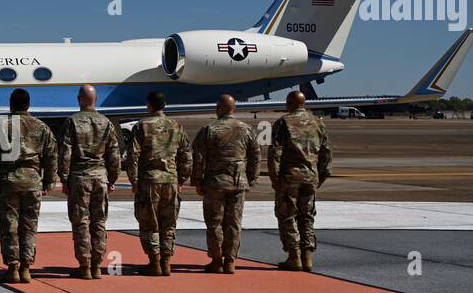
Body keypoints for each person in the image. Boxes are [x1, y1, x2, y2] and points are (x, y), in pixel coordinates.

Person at [0, 88, 57, 283]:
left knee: (9, 226)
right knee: (29, 226)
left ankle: (13, 267)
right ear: (28, 105)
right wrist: (50, 182)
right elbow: (51, 157)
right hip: (33, 182)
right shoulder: (41, 127)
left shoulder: (3, 126)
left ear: (11, 104)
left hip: (10, 182)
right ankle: (26, 268)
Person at [190, 94, 260, 274]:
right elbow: (255, 156)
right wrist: (251, 178)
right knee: (234, 223)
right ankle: (230, 260)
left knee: (215, 223)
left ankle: (216, 260)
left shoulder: (209, 129)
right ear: (234, 109)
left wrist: (197, 181)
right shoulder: (246, 129)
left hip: (215, 183)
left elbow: (198, 158)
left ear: (218, 108)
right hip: (238, 183)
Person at [124, 91, 190, 276]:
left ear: (149, 106)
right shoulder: (177, 126)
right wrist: (182, 179)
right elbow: (186, 156)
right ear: (164, 105)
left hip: (149, 182)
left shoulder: (142, 126)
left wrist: (134, 180)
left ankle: (154, 262)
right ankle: (167, 261)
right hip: (170, 180)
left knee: (149, 223)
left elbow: (133, 156)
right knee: (168, 223)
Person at [58, 85, 121, 279]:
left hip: (80, 176)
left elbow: (65, 153)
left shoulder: (72, 122)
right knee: (99, 221)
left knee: (80, 222)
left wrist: (64, 178)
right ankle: (96, 265)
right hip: (100, 176)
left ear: (79, 100)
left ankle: (84, 265)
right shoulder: (106, 122)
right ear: (95, 99)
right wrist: (112, 178)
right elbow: (114, 154)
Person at [268, 90, 333, 271]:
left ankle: (294, 256)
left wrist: (275, 178)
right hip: (310, 177)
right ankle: (308, 256)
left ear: (290, 103)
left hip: (290, 177)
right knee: (307, 217)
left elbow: (275, 153)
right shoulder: (317, 123)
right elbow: (326, 152)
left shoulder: (283, 123)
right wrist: (321, 175)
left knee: (287, 215)